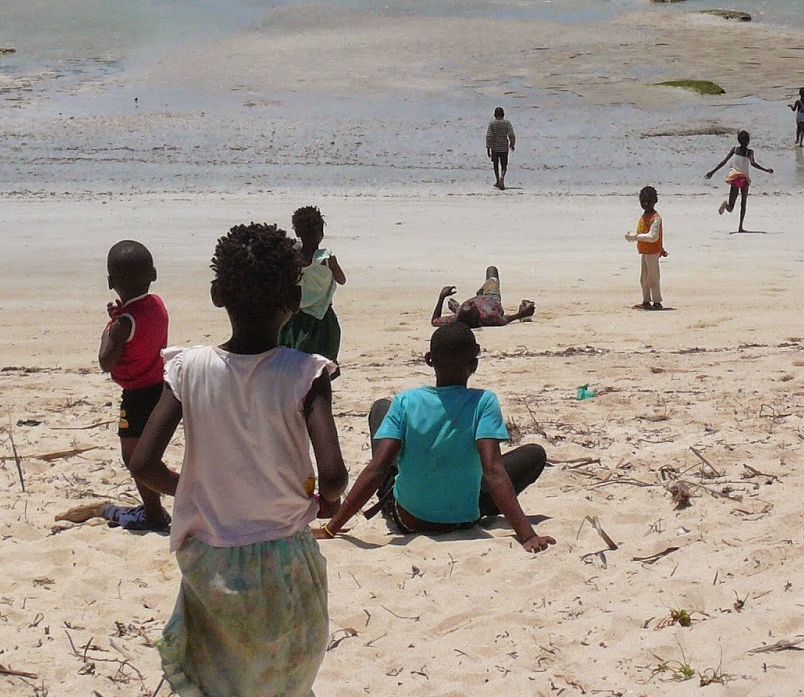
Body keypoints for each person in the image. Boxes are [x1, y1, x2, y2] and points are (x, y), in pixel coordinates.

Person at [131, 222, 348, 697]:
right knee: (285, 682)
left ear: (216, 294)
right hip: (288, 559)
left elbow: (144, 463)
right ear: (294, 299)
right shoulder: (306, 372)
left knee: (217, 681)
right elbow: (332, 476)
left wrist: (192, 487)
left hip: (213, 563)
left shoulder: (187, 369)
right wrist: (321, 499)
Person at [317, 321, 552, 551]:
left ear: (429, 359)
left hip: (407, 519)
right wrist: (527, 534)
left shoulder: (405, 402)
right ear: (474, 364)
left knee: (381, 408)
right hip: (464, 518)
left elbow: (377, 469)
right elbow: (493, 470)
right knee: (534, 454)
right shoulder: (484, 402)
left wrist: (331, 528)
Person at [98, 239, 171, 532]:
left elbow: (106, 361)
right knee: (151, 453)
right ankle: (156, 506)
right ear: (153, 274)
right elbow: (142, 329)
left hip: (137, 395)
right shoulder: (156, 304)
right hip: (161, 387)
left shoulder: (122, 324)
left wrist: (110, 328)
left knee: (134, 457)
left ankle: (153, 513)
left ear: (110, 282)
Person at [278, 206, 347, 365]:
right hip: (321, 315)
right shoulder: (326, 257)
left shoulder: (292, 257)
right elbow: (342, 279)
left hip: (294, 315)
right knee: (322, 358)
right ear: (321, 233)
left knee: (292, 358)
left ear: (297, 233)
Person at [706, 131, 772, 232]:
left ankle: (725, 204)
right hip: (744, 178)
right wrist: (766, 170)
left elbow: (724, 162)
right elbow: (753, 164)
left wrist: (713, 172)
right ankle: (740, 227)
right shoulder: (749, 152)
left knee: (731, 207)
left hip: (734, 177)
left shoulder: (734, 149)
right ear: (748, 141)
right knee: (743, 203)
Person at [430, 266, 535, 327]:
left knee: (467, 305)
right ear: (478, 314)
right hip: (491, 297)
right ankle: (457, 306)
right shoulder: (489, 317)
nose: (470, 303)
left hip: (476, 302)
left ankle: (457, 307)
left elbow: (435, 321)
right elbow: (506, 319)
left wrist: (442, 297)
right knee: (492, 270)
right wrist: (521, 314)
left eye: (465, 306)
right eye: (473, 306)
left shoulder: (456, 319)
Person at [624, 185, 667, 308]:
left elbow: (653, 237)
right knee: (644, 278)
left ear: (655, 201)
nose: (646, 204)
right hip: (645, 251)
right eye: (643, 202)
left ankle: (657, 301)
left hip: (652, 252)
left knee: (653, 278)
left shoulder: (656, 218)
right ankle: (646, 301)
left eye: (649, 202)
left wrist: (635, 237)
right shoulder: (644, 216)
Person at [486, 107, 516, 190]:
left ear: (495, 114)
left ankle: (497, 181)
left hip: (494, 147)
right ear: (503, 114)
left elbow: (489, 136)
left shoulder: (492, 123)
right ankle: (502, 177)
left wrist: (488, 148)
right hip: (504, 147)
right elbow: (511, 134)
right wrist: (512, 144)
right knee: (504, 165)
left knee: (495, 165)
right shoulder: (507, 123)